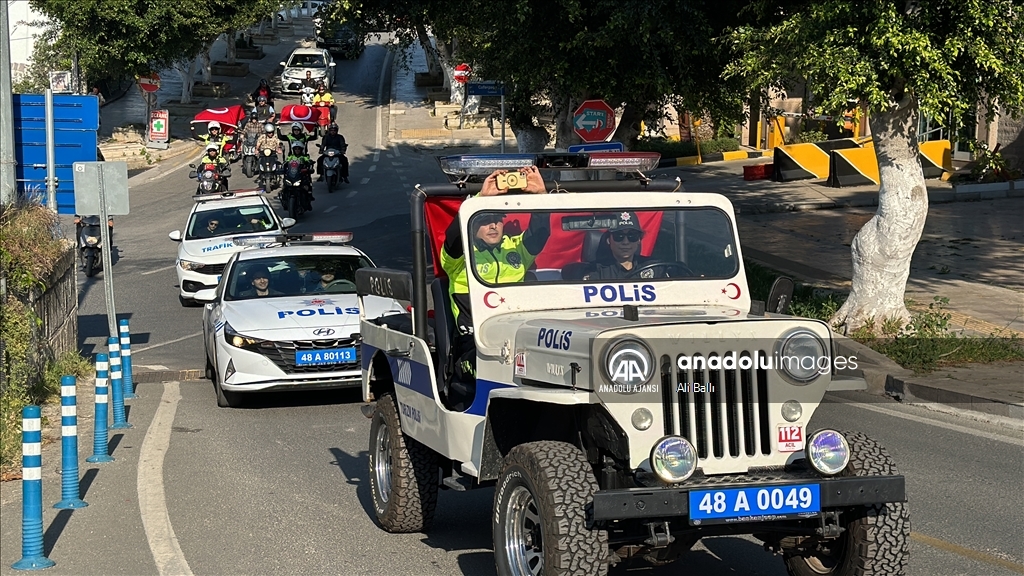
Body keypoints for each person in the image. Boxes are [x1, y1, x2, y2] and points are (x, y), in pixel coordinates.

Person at [439, 166, 549, 409]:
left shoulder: (515, 248)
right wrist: (480, 201)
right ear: (473, 224)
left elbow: (539, 235)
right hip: (473, 342)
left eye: (496, 220)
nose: (492, 226)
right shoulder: (460, 258)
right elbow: (454, 240)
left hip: (516, 337)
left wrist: (541, 196)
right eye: (484, 220)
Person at [580, 211, 656, 279]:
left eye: (632, 236)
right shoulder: (596, 272)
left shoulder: (655, 268)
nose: (625, 242)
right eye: (619, 236)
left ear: (639, 240)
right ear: (609, 240)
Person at [284, 140, 314, 208]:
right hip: (292, 174)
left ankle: (308, 198)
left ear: (301, 149)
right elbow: (286, 162)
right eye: (295, 149)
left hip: (301, 175)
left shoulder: (304, 157)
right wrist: (283, 167)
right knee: (285, 186)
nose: (297, 150)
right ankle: (285, 199)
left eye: (299, 149)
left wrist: (309, 164)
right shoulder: (291, 157)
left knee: (307, 185)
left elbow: (308, 161)